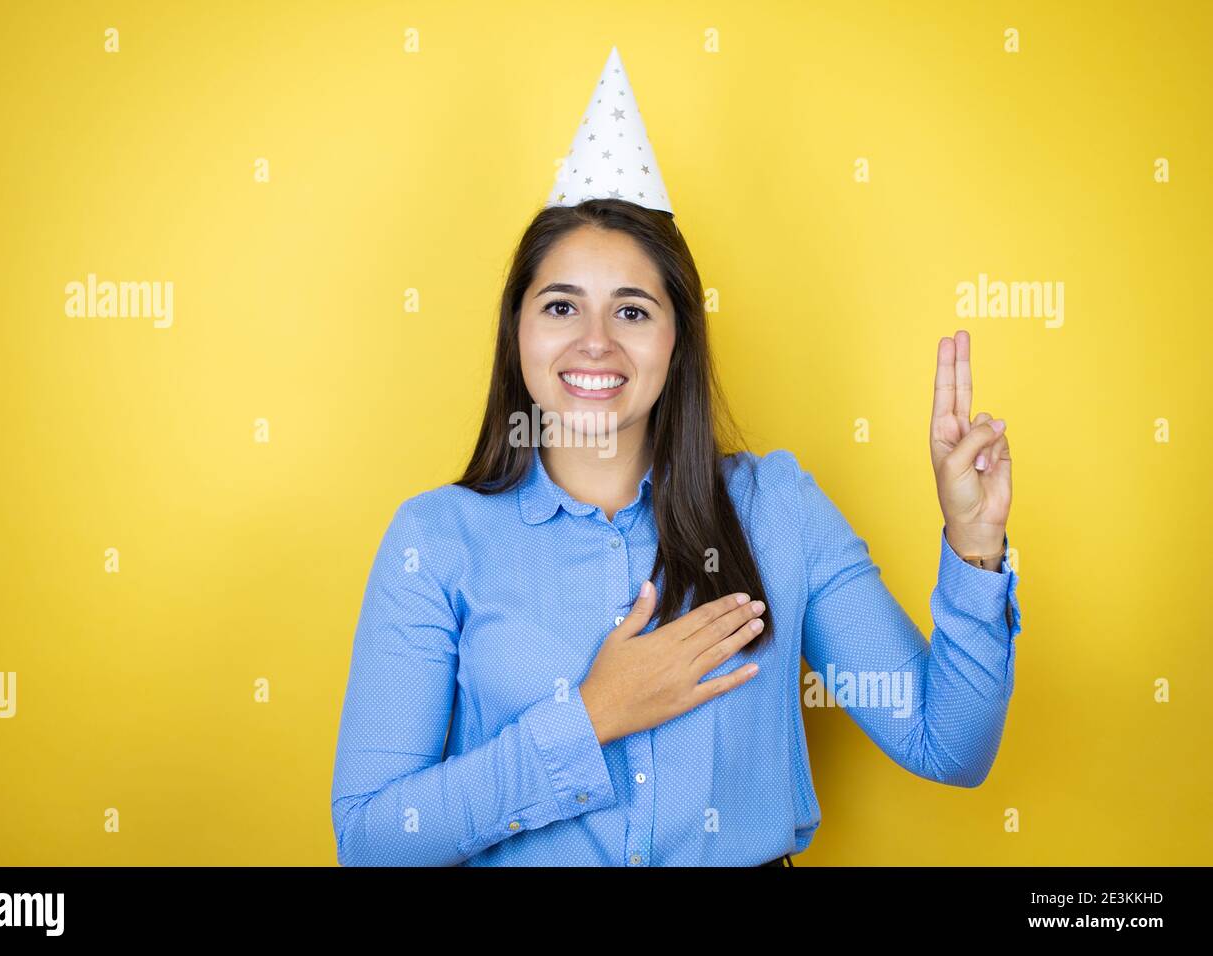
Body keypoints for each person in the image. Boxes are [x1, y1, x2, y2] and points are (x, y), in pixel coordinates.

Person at [330, 49, 1021, 867]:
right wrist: (589, 718)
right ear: (518, 332)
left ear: (676, 340)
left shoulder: (778, 509)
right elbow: (373, 841)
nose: (595, 342)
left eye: (632, 309)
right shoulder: (436, 540)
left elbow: (948, 744)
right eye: (561, 306)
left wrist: (975, 547)